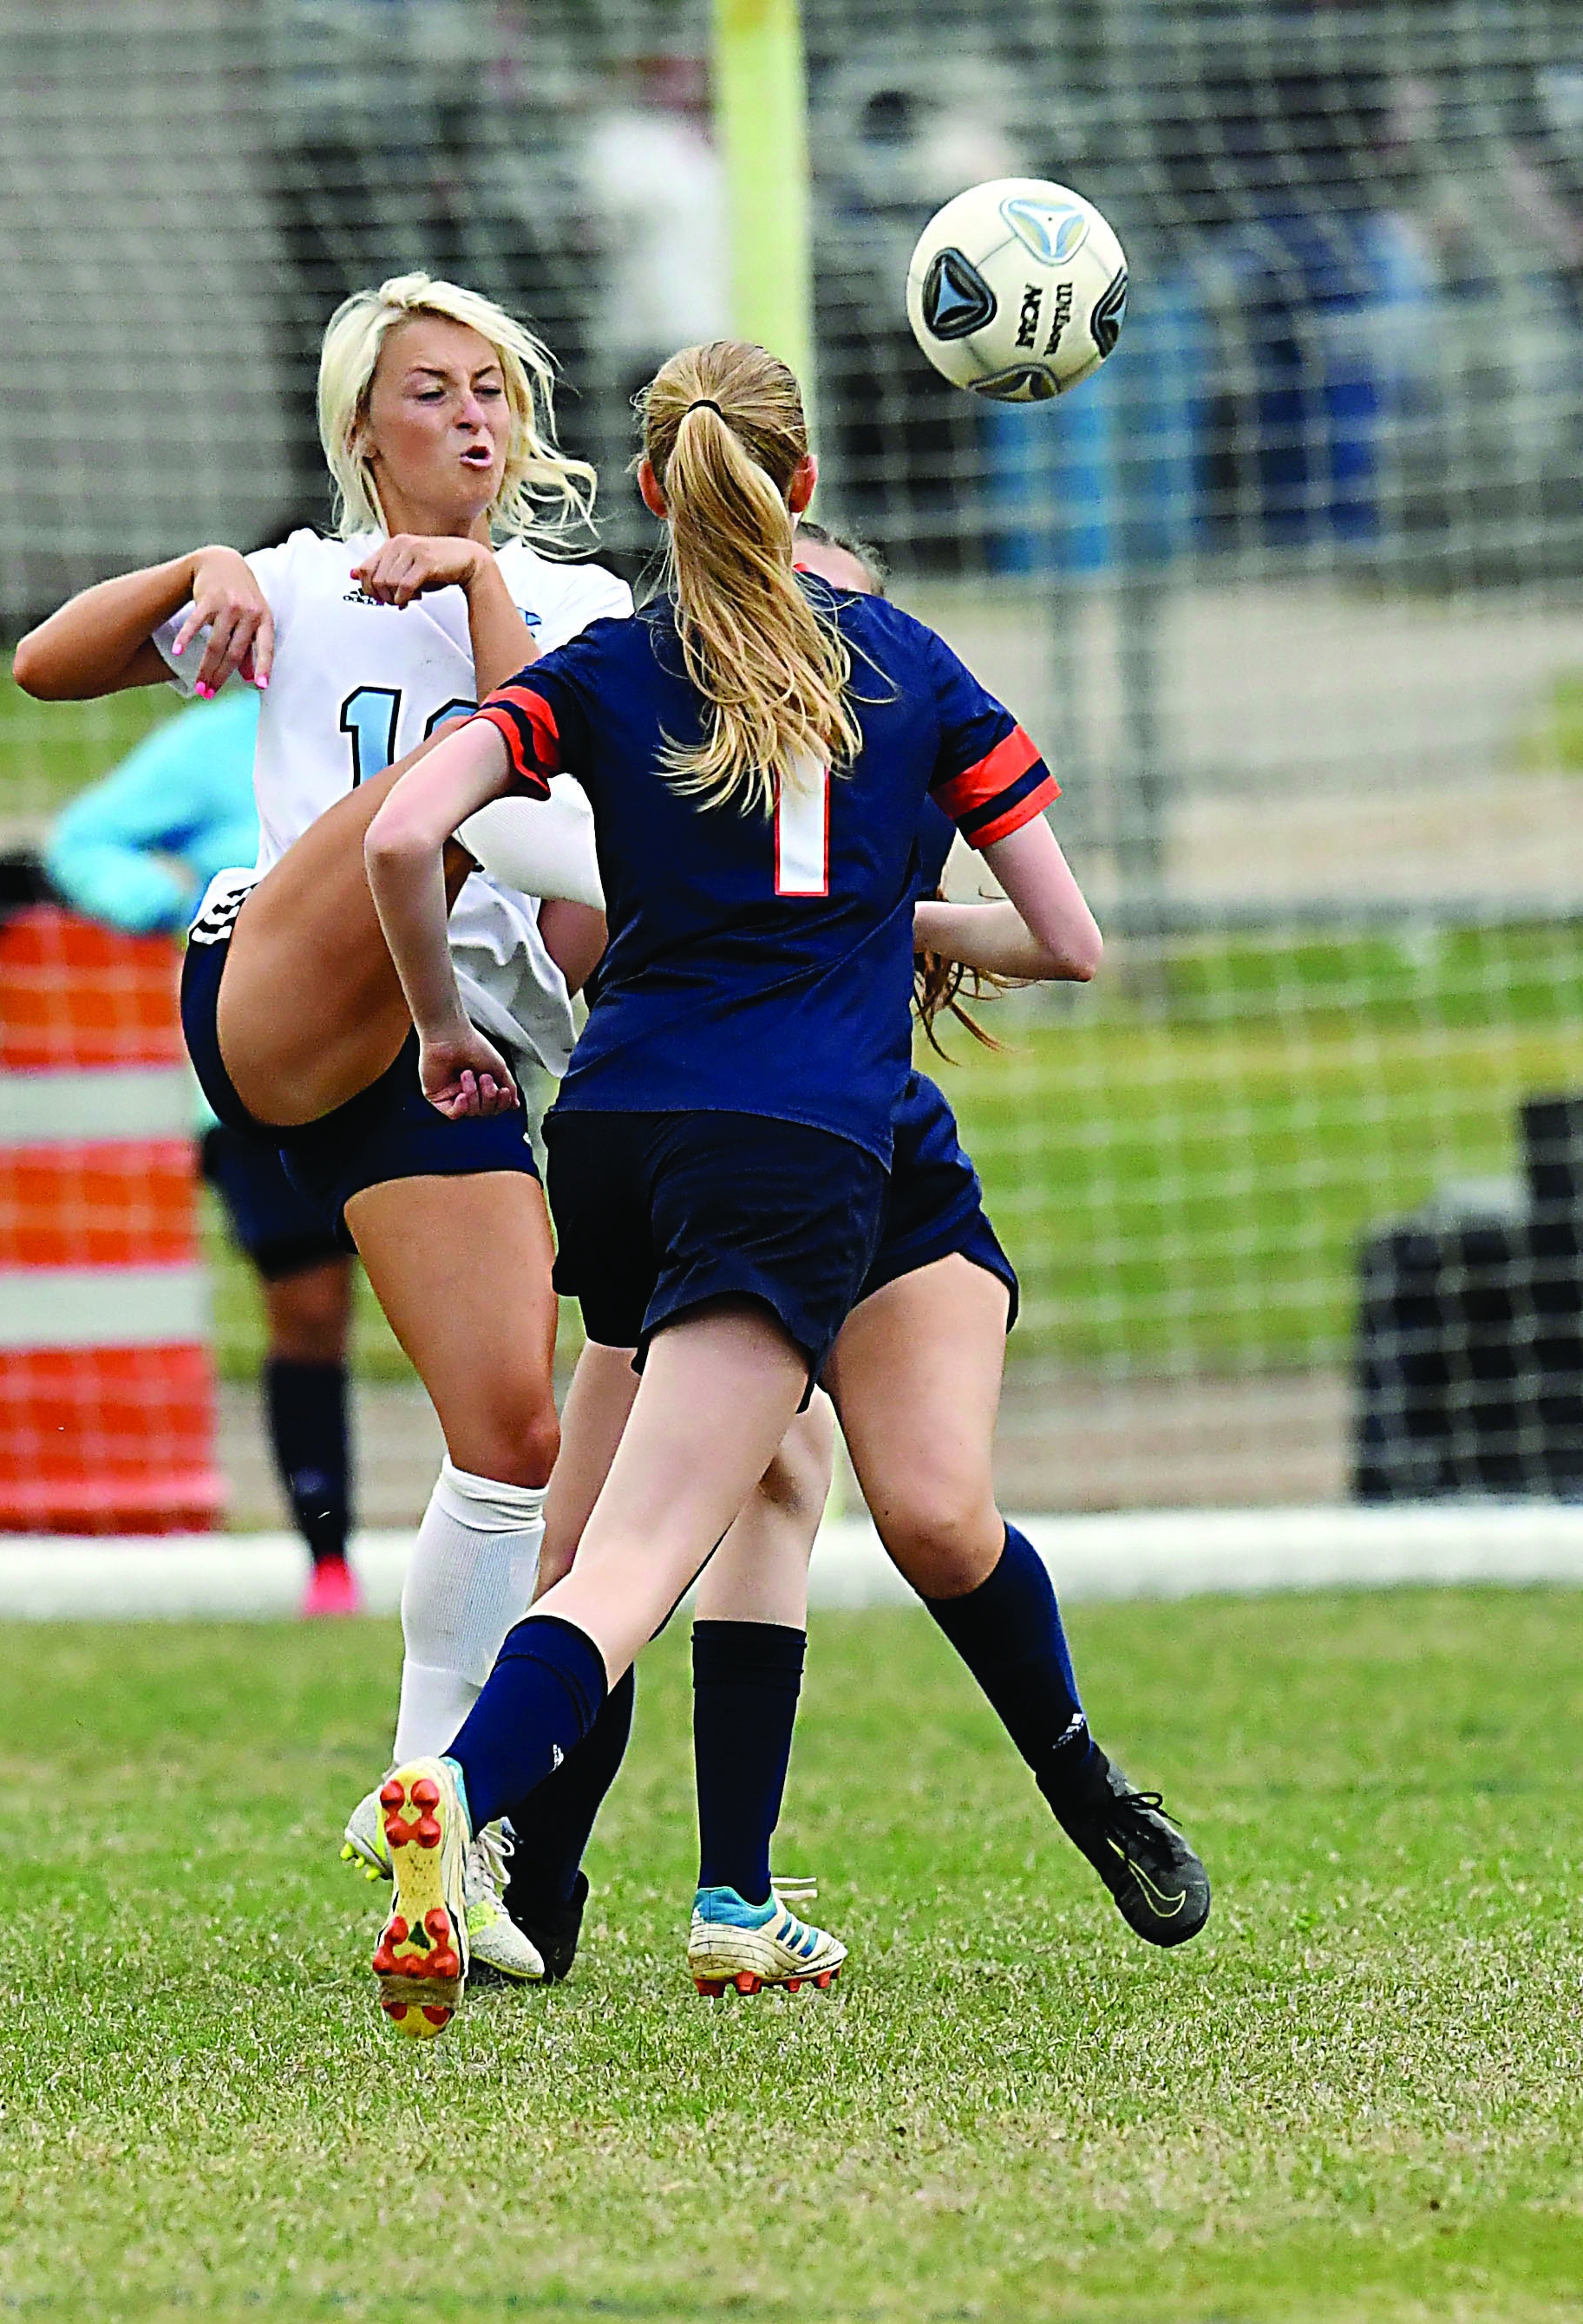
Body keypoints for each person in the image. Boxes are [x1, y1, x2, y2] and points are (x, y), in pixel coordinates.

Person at [360, 336, 1205, 2043]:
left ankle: (767, 1883)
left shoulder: (613, 660)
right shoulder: (903, 660)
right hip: (789, 1139)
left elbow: (400, 836)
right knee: (630, 1556)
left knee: (840, 1501)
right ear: (799, 485)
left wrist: (443, 1025)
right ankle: (458, 1797)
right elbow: (1068, 938)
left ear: (654, 491)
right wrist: (879, 920)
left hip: (638, 1126)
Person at [13, 271, 630, 1981]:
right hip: (276, 999)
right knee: (428, 801)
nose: (472, 419)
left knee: (514, 1438)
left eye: (492, 391)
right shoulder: (294, 580)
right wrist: (195, 572)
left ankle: (440, 1822)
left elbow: (565, 804)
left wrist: (485, 587)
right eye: (431, 392)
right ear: (361, 424)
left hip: (444, 1067)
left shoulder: (574, 600)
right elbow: (44, 666)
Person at [43, 689, 363, 1617]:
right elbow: (82, 839)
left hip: (432, 1052)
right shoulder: (218, 742)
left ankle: (519, 1549)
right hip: (259, 1076)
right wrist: (175, 904)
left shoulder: (440, 694)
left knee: (481, 1320)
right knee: (309, 1312)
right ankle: (328, 1557)